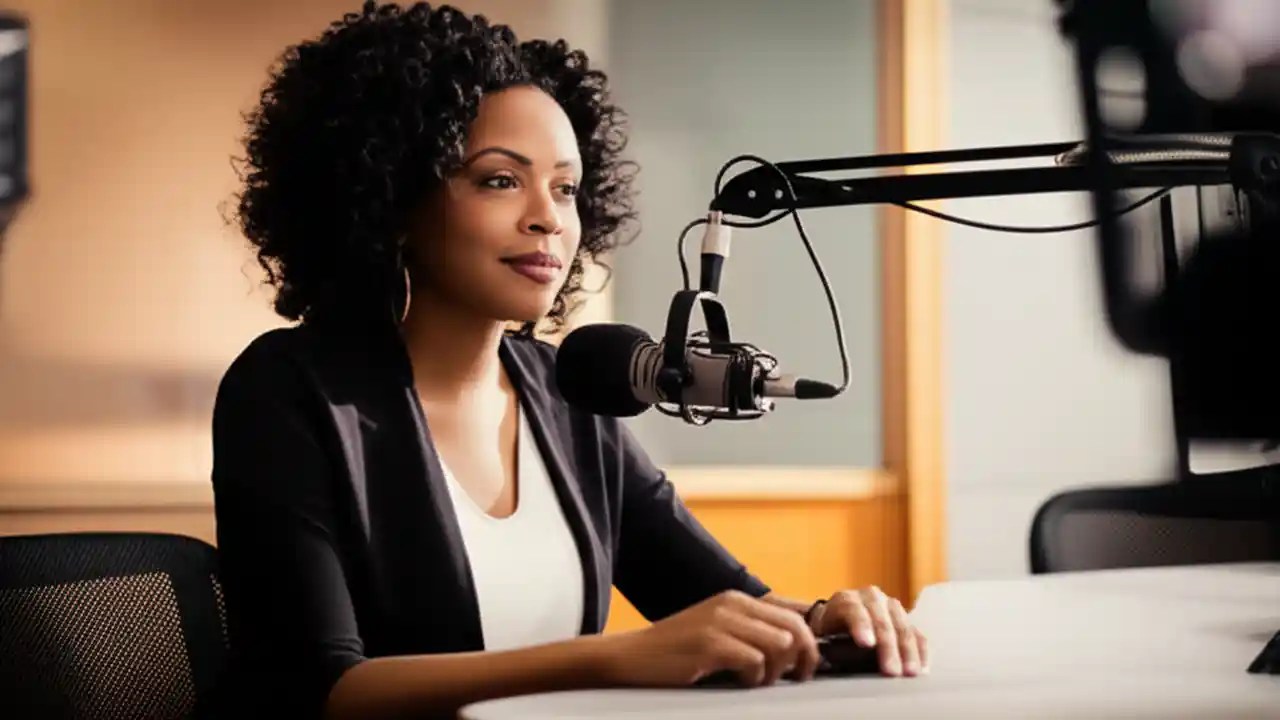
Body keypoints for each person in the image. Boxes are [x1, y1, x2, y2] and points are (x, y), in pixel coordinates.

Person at [212, 2, 928, 718]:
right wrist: (612, 658)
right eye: (500, 180)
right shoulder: (288, 390)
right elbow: (326, 690)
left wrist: (827, 620)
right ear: (394, 199)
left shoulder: (568, 387)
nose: (549, 218)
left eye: (566, 188)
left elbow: (723, 603)